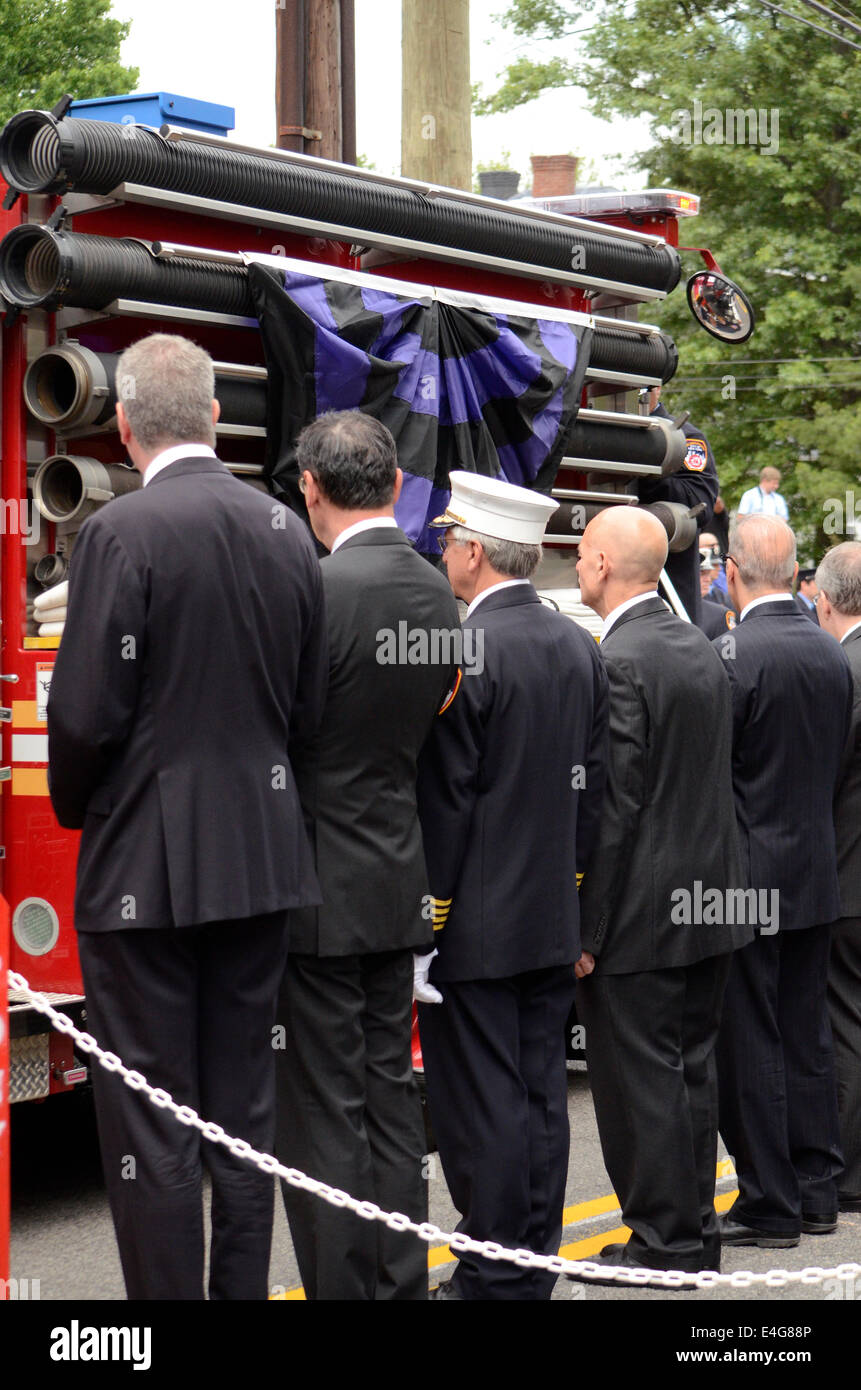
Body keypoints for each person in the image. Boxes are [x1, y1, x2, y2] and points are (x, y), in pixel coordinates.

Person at [47, 333, 328, 1300]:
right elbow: (307, 711)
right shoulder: (288, 530)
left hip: (144, 874)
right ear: (216, 416)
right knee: (243, 1111)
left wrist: (79, 806)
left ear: (122, 428)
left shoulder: (121, 536)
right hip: (260, 859)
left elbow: (85, 715)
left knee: (152, 1118)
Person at [274, 411, 461, 1301]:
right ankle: (400, 1281)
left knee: (322, 1110)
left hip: (317, 883)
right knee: (390, 1092)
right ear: (393, 486)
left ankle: (343, 1292)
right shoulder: (437, 593)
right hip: (396, 875)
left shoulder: (312, 592)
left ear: (311, 490)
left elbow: (287, 733)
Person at [415, 471, 609, 1301]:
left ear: (471, 551)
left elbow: (448, 800)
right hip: (549, 911)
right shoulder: (577, 642)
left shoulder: (468, 649)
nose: (442, 551)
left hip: (479, 923)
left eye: (447, 539)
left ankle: (496, 1267)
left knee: (483, 1104)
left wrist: (432, 916)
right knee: (537, 1098)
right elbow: (594, 790)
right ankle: (532, 1255)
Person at [574, 507, 749, 1274]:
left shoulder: (618, 660)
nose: (577, 566)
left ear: (606, 565)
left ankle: (664, 1238)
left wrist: (587, 927)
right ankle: (693, 1230)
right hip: (708, 902)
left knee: (639, 1080)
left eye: (581, 554)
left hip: (642, 914)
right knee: (690, 1069)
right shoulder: (697, 647)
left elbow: (616, 808)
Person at [714, 515, 854, 1248]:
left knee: (751, 1040)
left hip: (746, 876)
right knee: (806, 1034)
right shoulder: (830, 655)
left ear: (732, 572)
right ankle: (814, 1188)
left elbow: (715, 778)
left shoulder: (732, 654)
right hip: (812, 869)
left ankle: (768, 1201)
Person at [815, 542, 861, 1212]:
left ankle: (849, 1174)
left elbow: (823, 774)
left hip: (848, 876)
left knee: (846, 1020)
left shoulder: (844, 669)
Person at [632, 385, 718, 626]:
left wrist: (647, 470)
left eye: (641, 387)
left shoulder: (687, 438)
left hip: (666, 590)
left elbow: (698, 503)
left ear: (657, 388)